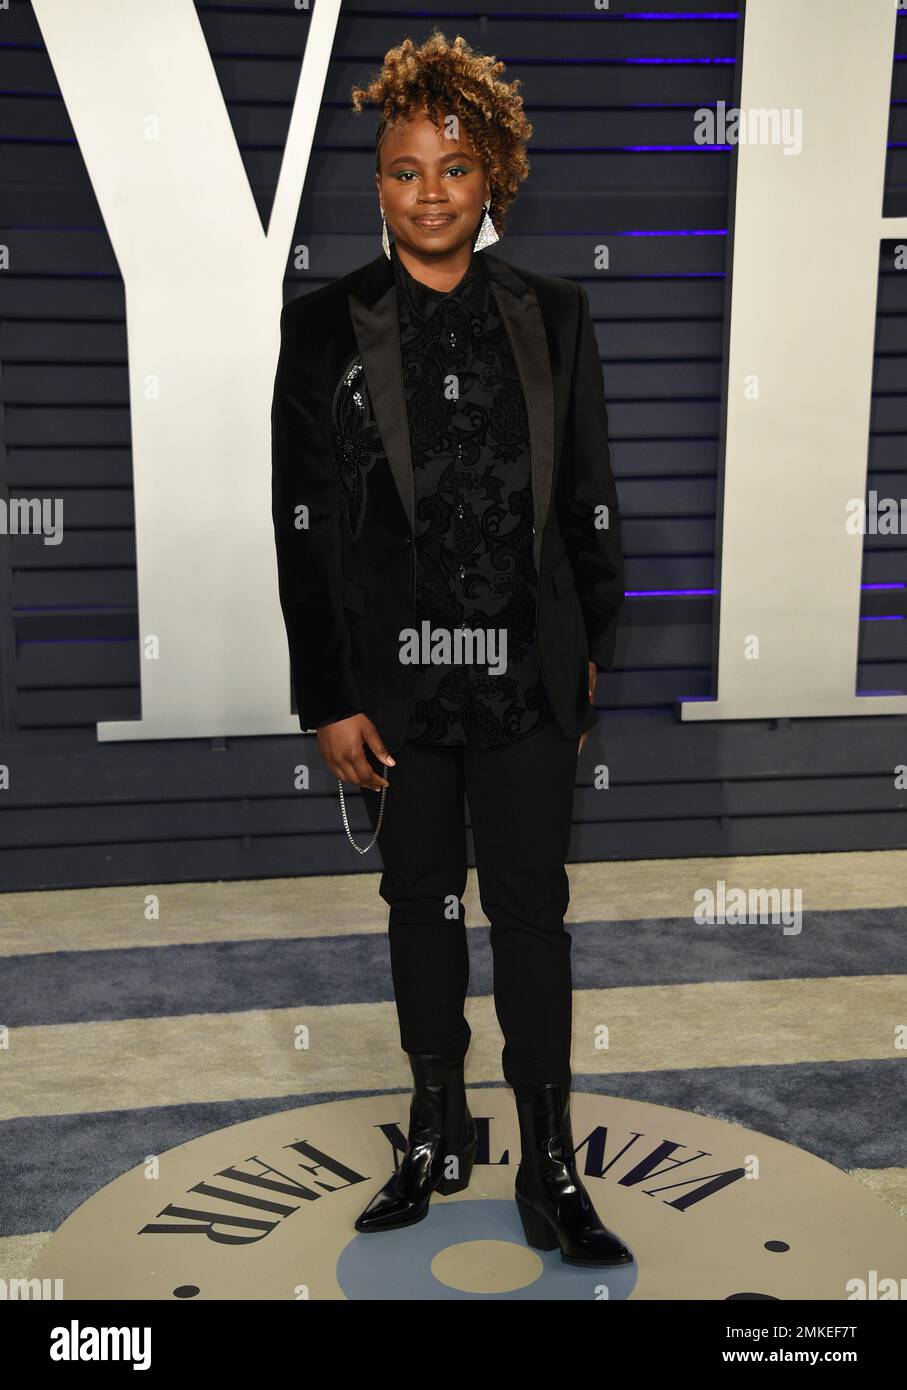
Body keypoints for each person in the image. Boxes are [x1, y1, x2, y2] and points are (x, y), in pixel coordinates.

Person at [270, 29, 631, 1267]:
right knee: (418, 904)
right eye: (405, 169)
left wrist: (591, 641)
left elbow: (589, 492)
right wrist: (327, 694)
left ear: (495, 183)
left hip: (528, 677)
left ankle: (546, 1161)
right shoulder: (324, 328)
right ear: (377, 182)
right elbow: (302, 528)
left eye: (455, 169)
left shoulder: (555, 314)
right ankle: (431, 1134)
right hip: (396, 686)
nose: (430, 192)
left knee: (532, 912)